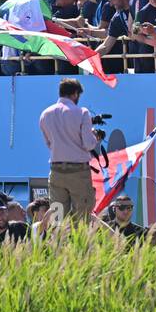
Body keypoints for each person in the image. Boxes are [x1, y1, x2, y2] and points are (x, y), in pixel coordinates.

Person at [39, 79, 101, 220]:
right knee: (82, 216)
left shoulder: (45, 114)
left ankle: (59, 241)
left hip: (56, 170)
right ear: (75, 94)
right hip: (78, 171)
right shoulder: (82, 112)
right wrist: (95, 136)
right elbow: (89, 144)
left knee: (58, 216)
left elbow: (49, 143)